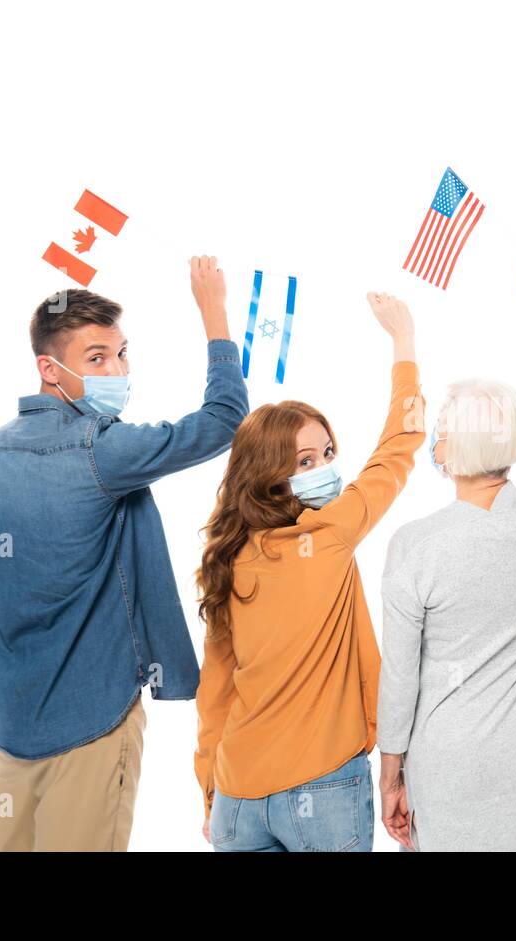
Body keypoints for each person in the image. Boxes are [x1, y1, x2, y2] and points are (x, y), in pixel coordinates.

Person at [0, 256, 246, 851]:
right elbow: (223, 421)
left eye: (122, 354)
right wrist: (214, 313)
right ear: (49, 367)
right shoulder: (103, 450)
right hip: (95, 725)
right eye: (97, 358)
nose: (117, 369)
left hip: (15, 728)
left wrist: (13, 693)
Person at [194, 291, 425, 852]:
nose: (325, 468)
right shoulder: (330, 533)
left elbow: (215, 692)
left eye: (326, 453)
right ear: (271, 476)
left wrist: (209, 791)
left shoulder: (229, 557)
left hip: (236, 797)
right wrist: (404, 342)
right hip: (320, 789)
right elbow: (399, 446)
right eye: (304, 462)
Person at [376, 253, 516, 852]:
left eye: (442, 426)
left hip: (450, 762)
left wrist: (391, 771)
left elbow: (400, 676)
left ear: (453, 447)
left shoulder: (414, 545)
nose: (436, 435)